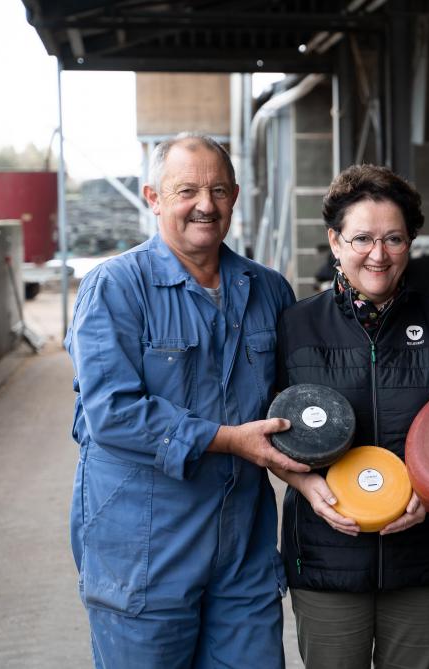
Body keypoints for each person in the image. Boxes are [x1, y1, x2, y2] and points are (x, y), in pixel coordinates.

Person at [66, 132, 308, 668]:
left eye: (219, 190)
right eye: (187, 190)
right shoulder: (116, 287)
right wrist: (230, 440)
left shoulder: (267, 289)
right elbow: (113, 413)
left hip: (241, 540)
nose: (205, 204)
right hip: (145, 544)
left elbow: (294, 404)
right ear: (153, 197)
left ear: (236, 196)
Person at [273, 164, 429, 669]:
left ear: (411, 243)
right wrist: (303, 486)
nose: (378, 255)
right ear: (335, 242)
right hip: (326, 556)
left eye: (394, 239)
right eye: (362, 238)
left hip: (421, 556)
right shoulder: (294, 327)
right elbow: (268, 431)